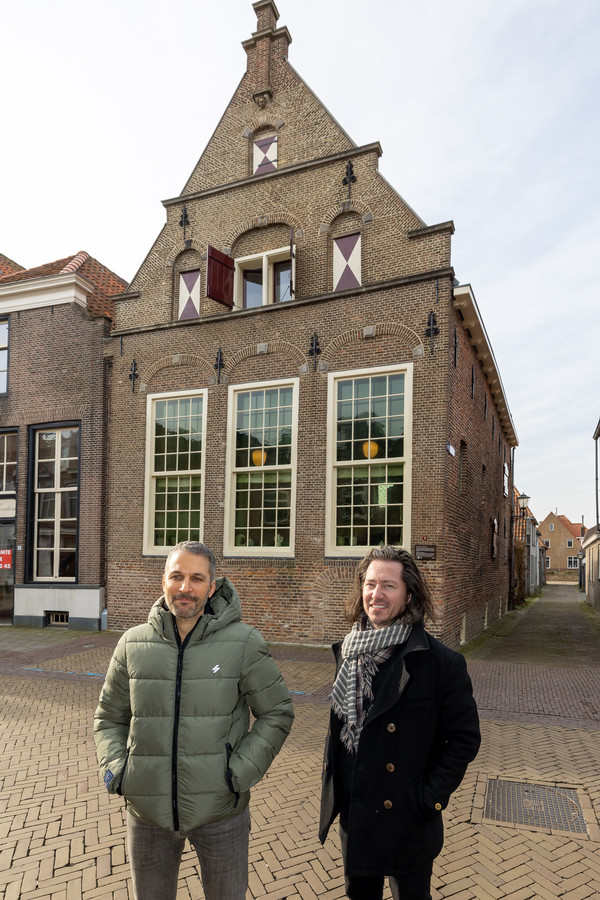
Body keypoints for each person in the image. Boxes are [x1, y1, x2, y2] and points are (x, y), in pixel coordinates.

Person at [94, 540, 294, 900]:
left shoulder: (244, 643)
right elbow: (109, 717)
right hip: (147, 814)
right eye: (177, 576)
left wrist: (237, 774)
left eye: (197, 579)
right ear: (163, 582)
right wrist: (118, 771)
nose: (185, 587)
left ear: (211, 587)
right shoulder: (132, 644)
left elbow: (276, 711)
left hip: (221, 814)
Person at [319, 546, 480, 900]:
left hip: (407, 817)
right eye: (370, 584)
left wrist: (428, 798)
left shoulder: (440, 663)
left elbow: (464, 739)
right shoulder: (349, 652)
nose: (376, 594)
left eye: (388, 586)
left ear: (409, 595)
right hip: (358, 812)